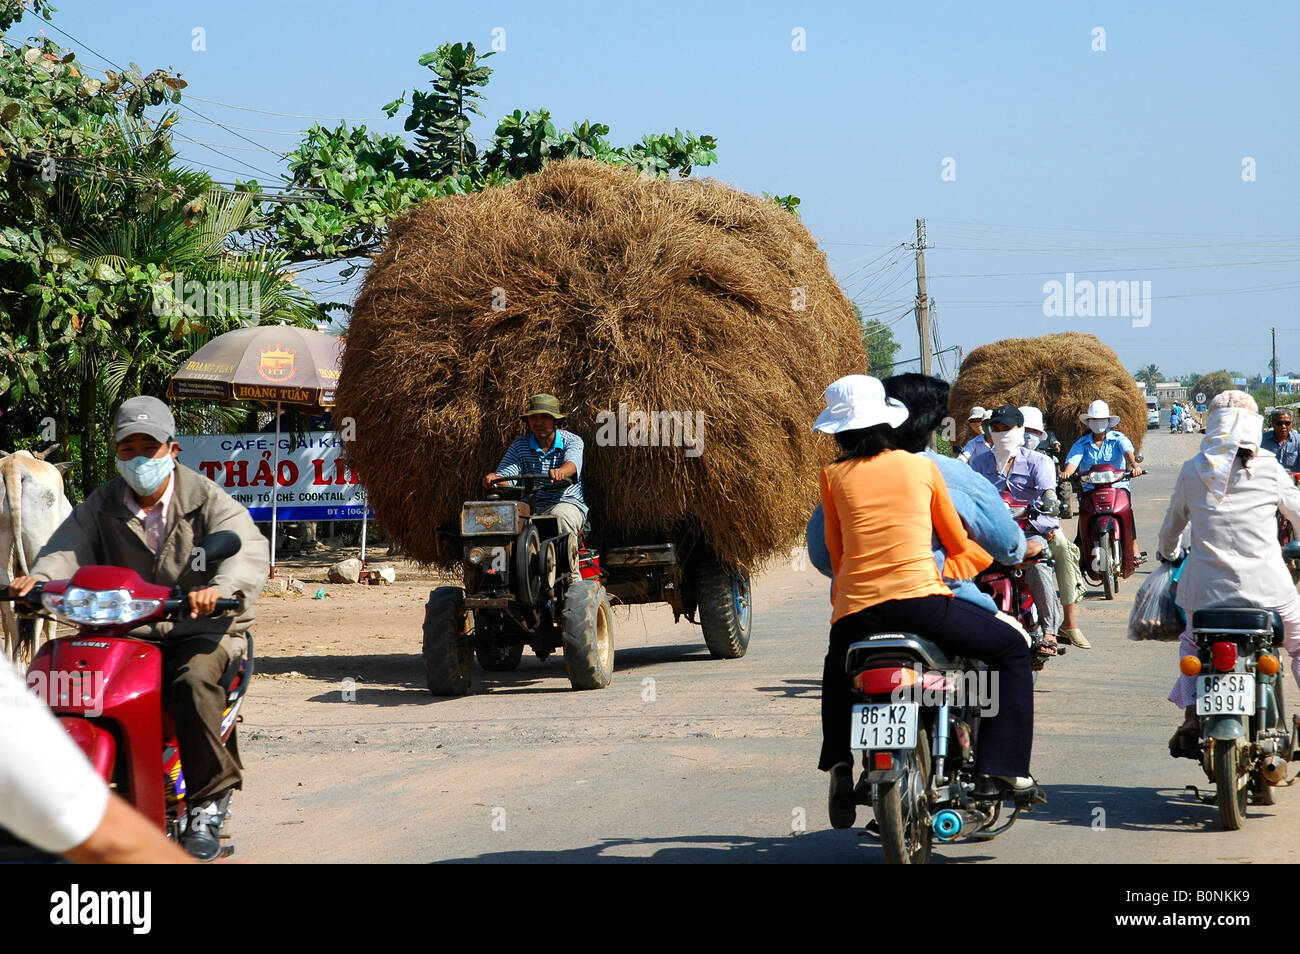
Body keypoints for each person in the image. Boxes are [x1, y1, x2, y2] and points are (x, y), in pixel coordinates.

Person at [8, 396, 269, 861]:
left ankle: (207, 802)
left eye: (149, 447)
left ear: (172, 449)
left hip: (198, 628)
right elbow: (67, 547)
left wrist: (220, 589)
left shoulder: (206, 497)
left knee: (191, 683)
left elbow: (245, 548)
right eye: (128, 448)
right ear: (116, 453)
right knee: (57, 676)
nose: (139, 458)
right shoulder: (102, 502)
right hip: (124, 630)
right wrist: (41, 579)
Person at [814, 375, 1040, 828]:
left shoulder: (832, 475)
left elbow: (833, 556)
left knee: (838, 670)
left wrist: (849, 600)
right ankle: (1000, 767)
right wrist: (967, 561)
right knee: (1012, 649)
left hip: (854, 612)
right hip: (921, 602)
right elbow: (958, 542)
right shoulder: (922, 469)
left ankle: (840, 764)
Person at [806, 375, 1033, 616]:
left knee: (838, 655)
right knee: (1014, 647)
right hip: (935, 599)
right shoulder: (938, 469)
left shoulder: (839, 476)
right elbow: (998, 543)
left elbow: (823, 556)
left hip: (853, 608)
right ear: (929, 425)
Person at [1157, 391, 1300, 756]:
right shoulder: (1269, 468)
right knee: (1298, 645)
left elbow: (1172, 525)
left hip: (1204, 594)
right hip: (1268, 592)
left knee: (1190, 644)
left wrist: (1167, 553)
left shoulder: (1193, 468)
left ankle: (1192, 717)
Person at [0, 658, 191, 863]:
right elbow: (93, 829)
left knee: (195, 680)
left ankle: (205, 804)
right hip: (115, 633)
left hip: (188, 636)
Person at [971, 406, 1066, 654]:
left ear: (1020, 431)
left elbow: (1049, 494)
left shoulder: (1039, 462)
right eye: (997, 429)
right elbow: (969, 494)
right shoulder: (979, 463)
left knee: (1039, 566)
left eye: (1007, 429)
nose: (1001, 434)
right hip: (991, 535)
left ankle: (1049, 632)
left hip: (1029, 530)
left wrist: (1049, 502)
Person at [484, 394, 587, 581]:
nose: (539, 422)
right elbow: (508, 473)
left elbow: (572, 464)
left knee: (561, 517)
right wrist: (497, 479)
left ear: (555, 420)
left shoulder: (572, 441)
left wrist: (561, 472)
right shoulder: (520, 445)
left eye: (545, 417)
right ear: (528, 421)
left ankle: (571, 577)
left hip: (564, 502)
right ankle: (499, 579)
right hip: (530, 507)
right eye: (534, 417)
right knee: (498, 523)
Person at [1020, 406, 1089, 648]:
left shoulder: (1044, 461)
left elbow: (1051, 500)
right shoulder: (995, 457)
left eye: (1032, 431)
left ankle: (1068, 621)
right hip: (1007, 528)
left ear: (1041, 434)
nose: (1027, 435)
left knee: (1062, 549)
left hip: (1040, 528)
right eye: (1023, 430)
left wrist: (1046, 525)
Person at [1060, 399, 1145, 577]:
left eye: (1101, 420)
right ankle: (1083, 550)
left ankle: (1134, 546)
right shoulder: (1081, 444)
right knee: (1084, 513)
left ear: (1108, 421)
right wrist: (1066, 473)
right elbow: (1073, 462)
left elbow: (1129, 454)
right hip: (1091, 488)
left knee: (1126, 510)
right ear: (1089, 422)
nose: (1098, 424)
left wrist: (1134, 466)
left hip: (1117, 486)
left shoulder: (1118, 439)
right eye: (1094, 420)